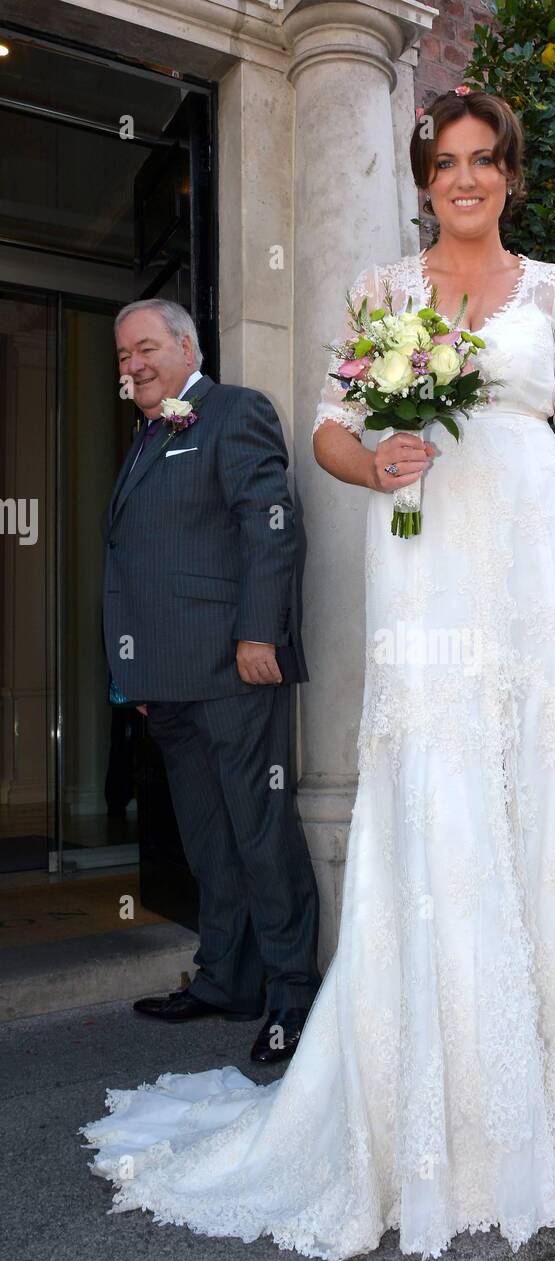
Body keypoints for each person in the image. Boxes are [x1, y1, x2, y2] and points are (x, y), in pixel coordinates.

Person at [80, 90, 555, 1261]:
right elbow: (324, 429)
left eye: (482, 161)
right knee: (443, 806)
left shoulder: (554, 293)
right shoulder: (380, 292)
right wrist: (374, 460)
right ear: (423, 179)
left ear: (509, 175)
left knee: (551, 807)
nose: (463, 178)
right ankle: (456, 1130)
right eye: (443, 163)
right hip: (427, 573)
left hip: (539, 570)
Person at [102, 298, 320, 1066]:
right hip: (168, 680)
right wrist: (137, 675)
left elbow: (270, 521)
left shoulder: (234, 412)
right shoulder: (144, 437)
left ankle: (293, 995)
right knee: (206, 839)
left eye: (146, 348)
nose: (133, 364)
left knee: (260, 834)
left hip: (234, 669)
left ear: (188, 347)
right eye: (124, 355)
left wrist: (259, 631)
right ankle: (227, 978)